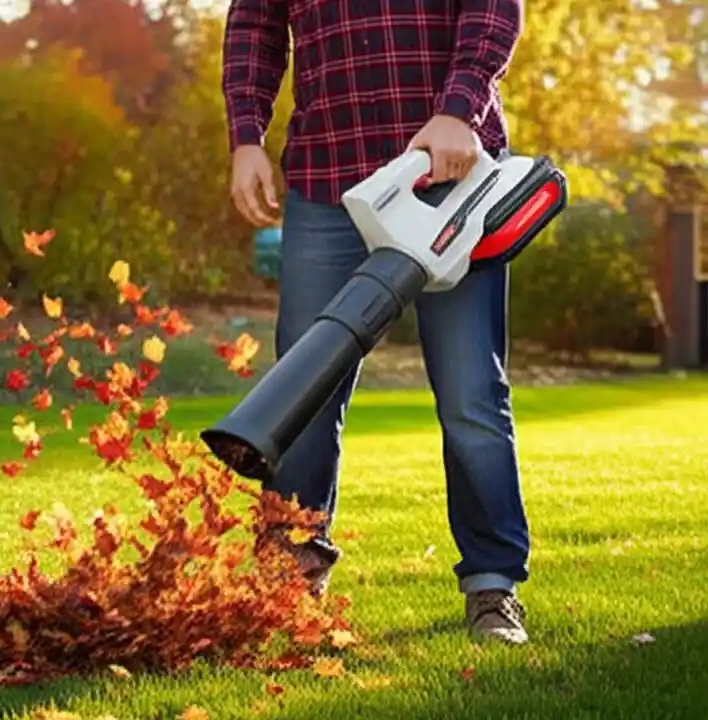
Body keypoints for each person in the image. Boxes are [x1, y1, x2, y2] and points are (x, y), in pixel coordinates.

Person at [222, 0, 531, 644]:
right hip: (327, 173)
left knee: (471, 394)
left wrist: (460, 107)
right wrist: (246, 137)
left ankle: (492, 587)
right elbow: (253, 24)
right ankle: (287, 584)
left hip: (449, 173)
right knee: (303, 393)